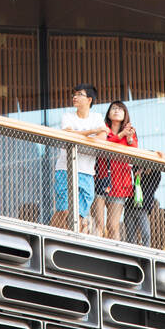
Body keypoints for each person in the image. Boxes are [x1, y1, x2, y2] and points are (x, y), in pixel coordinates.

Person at [51, 83, 109, 232]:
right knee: (64, 211)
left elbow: (102, 138)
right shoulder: (68, 116)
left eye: (79, 94)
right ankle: (52, 234)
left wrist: (84, 135)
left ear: (89, 99)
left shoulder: (96, 117)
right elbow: (68, 134)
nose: (74, 97)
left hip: (87, 172)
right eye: (74, 94)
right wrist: (92, 132)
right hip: (65, 169)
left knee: (80, 216)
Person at [94, 102, 138, 241]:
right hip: (101, 180)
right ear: (108, 113)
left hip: (120, 183)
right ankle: (95, 252)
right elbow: (104, 144)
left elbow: (135, 152)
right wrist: (121, 134)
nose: (116, 111)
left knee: (113, 225)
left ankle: (114, 256)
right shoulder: (103, 129)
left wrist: (129, 138)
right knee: (98, 223)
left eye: (120, 109)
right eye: (113, 108)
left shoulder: (130, 132)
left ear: (125, 114)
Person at [125, 155, 163, 248]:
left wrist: (146, 171)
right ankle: (132, 252)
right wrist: (140, 171)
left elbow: (154, 179)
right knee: (130, 235)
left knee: (145, 233)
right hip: (130, 205)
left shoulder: (155, 176)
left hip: (143, 207)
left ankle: (146, 250)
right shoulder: (138, 170)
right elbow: (134, 170)